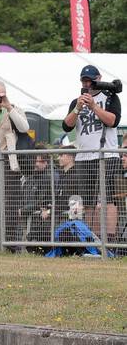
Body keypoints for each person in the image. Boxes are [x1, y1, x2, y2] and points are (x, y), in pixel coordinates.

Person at [62, 64, 121, 240]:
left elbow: (113, 121)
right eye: (84, 81)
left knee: (108, 198)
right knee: (87, 201)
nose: (88, 84)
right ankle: (90, 238)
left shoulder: (110, 97)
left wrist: (94, 106)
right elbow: (67, 125)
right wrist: (78, 108)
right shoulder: (76, 102)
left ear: (98, 79)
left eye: (90, 80)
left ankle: (109, 239)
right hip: (83, 157)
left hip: (106, 155)